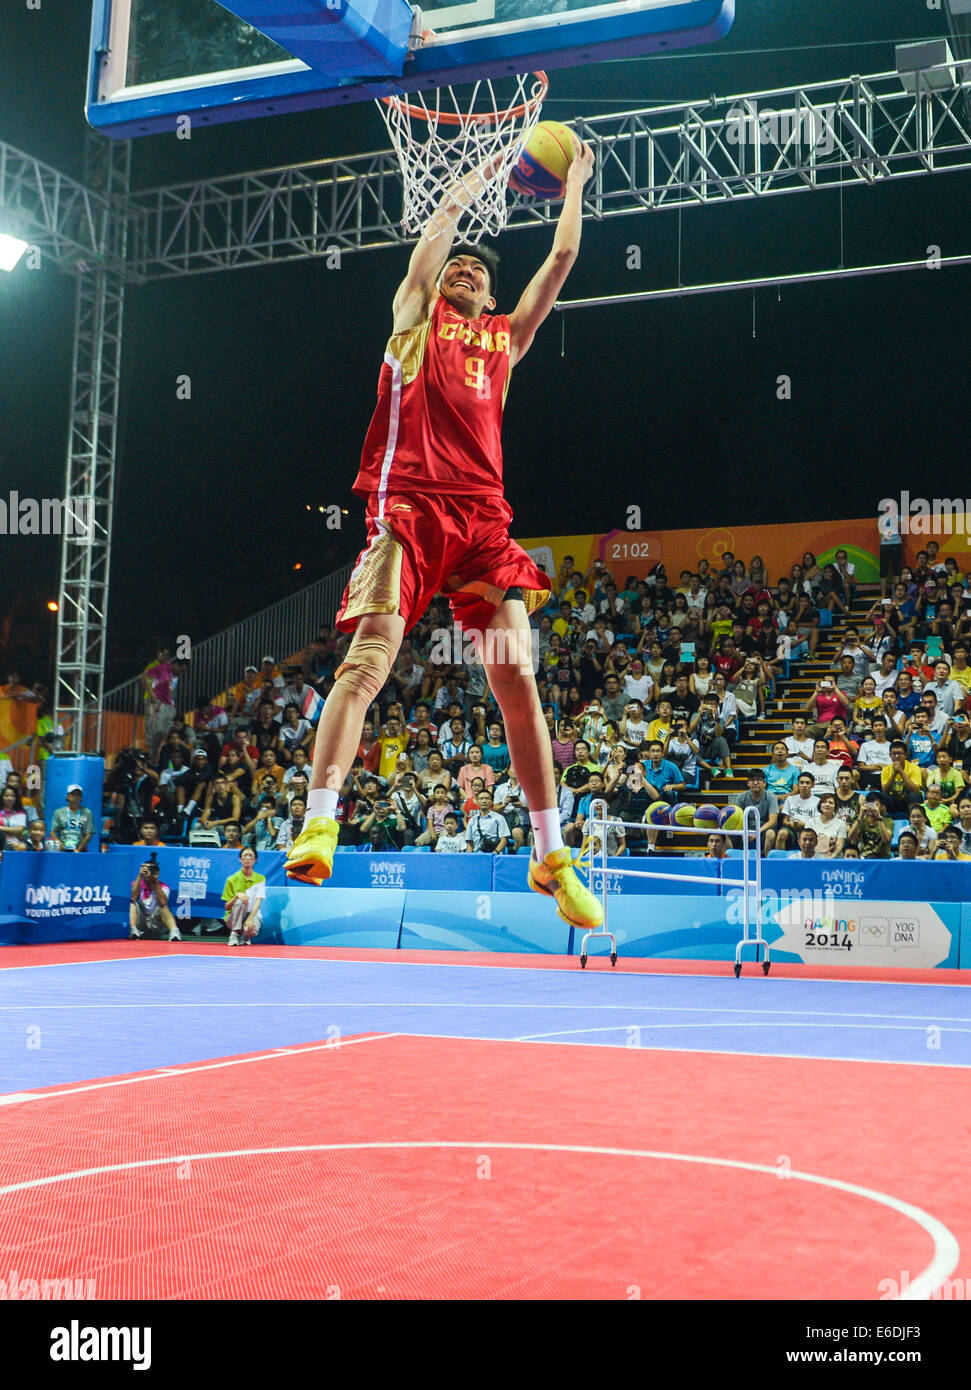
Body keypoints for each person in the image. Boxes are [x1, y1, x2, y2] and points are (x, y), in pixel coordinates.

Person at [284, 137, 602, 930]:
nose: (466, 272)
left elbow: (559, 261)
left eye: (478, 272)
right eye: (458, 267)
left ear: (491, 296)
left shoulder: (503, 343)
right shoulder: (412, 321)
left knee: (516, 682)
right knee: (368, 662)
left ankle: (549, 854)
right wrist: (487, 172)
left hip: (482, 527)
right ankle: (320, 817)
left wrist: (578, 183)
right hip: (409, 514)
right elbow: (433, 236)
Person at [221, 847, 266, 946]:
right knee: (241, 900)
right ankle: (235, 933)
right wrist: (236, 896)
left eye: (251, 856)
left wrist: (250, 918)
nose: (248, 858)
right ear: (240, 859)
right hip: (233, 918)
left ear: (255, 860)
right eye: (245, 855)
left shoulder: (260, 878)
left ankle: (245, 936)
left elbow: (258, 901)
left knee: (250, 930)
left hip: (251, 914)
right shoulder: (232, 879)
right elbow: (227, 907)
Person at [130, 857, 180, 941]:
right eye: (147, 870)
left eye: (152, 870)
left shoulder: (164, 887)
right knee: (131, 904)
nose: (149, 873)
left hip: (156, 923)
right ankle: (133, 931)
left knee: (164, 907)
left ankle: (174, 933)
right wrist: (140, 875)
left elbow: (163, 902)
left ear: (157, 872)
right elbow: (133, 898)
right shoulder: (136, 883)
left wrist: (155, 882)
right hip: (141, 922)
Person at [51, 784, 95, 853]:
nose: (76, 797)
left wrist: (78, 850)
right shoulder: (59, 812)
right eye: (73, 794)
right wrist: (59, 843)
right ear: (67, 796)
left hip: (81, 850)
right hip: (62, 849)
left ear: (81, 797)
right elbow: (52, 831)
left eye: (78, 794)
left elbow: (89, 833)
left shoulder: (87, 813)